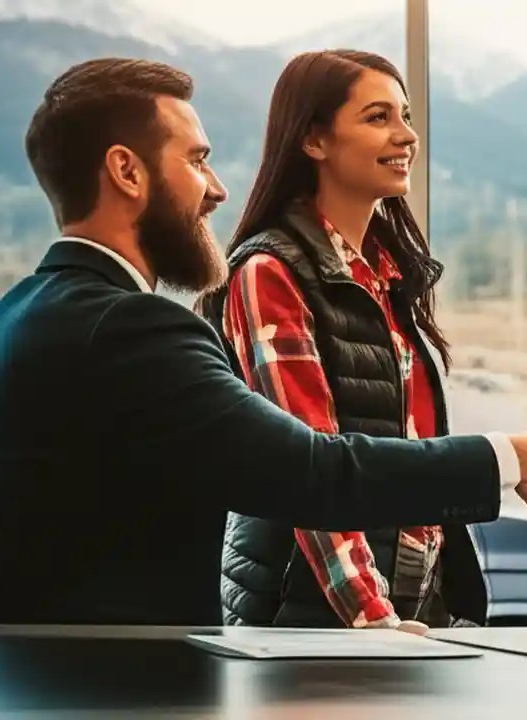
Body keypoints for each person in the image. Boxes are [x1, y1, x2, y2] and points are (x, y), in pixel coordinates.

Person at [0, 57, 527, 626]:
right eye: (196, 162)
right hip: (73, 692)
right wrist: (510, 458)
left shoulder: (15, 314)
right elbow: (309, 472)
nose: (217, 189)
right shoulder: (132, 330)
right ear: (127, 172)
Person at [195, 50, 485, 631]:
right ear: (313, 141)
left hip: (407, 608)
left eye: (405, 115)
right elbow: (306, 467)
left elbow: (411, 442)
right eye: (378, 117)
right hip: (313, 618)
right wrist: (370, 617)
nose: (406, 135)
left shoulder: (389, 274)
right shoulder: (268, 273)